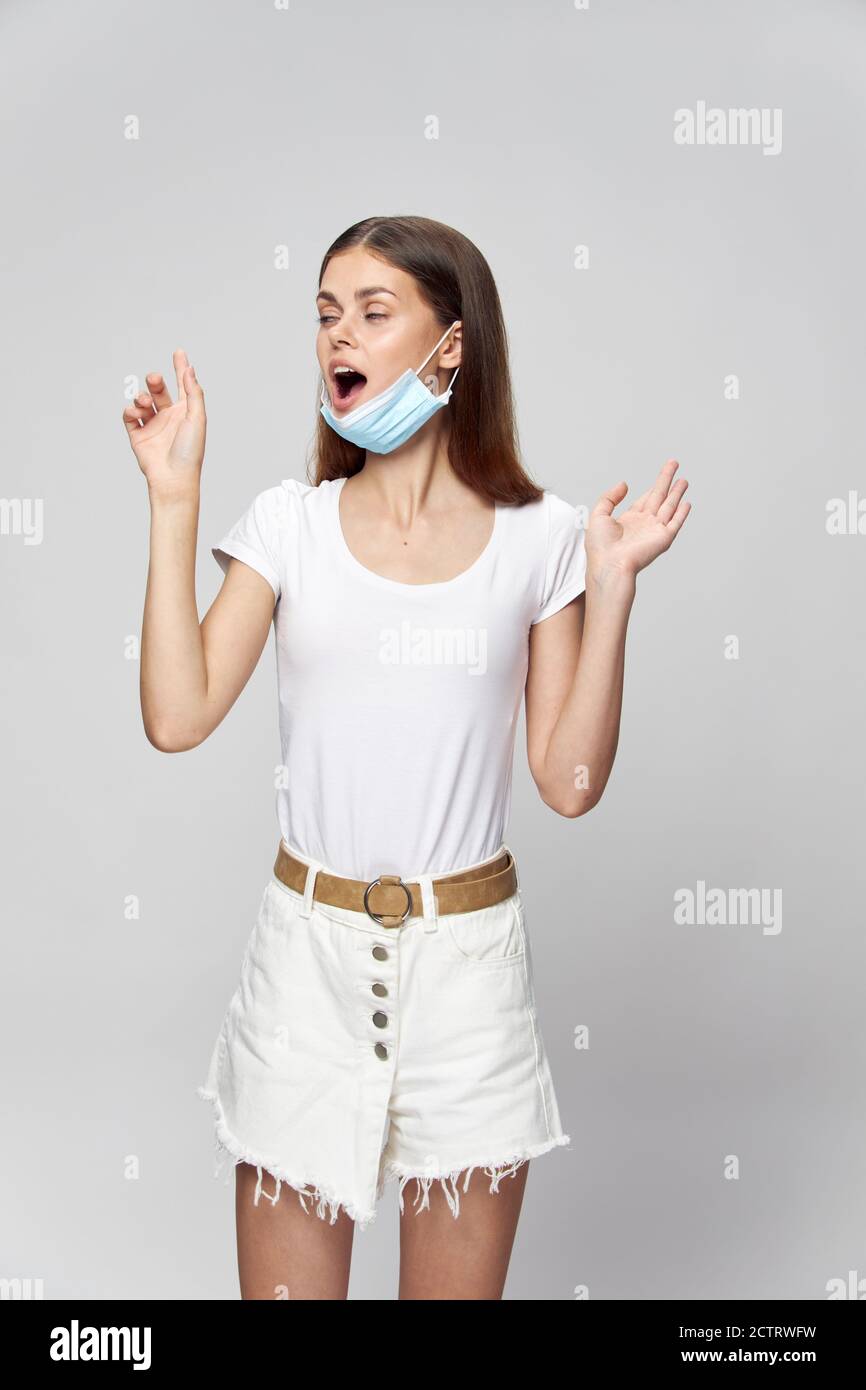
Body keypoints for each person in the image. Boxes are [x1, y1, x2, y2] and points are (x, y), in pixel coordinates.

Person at [123, 215, 690, 1300]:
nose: (339, 334)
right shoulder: (289, 524)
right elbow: (176, 714)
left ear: (451, 346)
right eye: (326, 313)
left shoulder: (541, 537)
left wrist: (611, 592)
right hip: (306, 966)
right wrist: (172, 498)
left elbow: (567, 785)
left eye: (373, 311)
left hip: (467, 977)